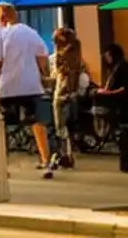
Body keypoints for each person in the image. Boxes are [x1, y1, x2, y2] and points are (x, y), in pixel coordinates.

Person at [0, 2, 54, 179]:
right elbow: (42, 60)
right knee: (37, 123)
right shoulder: (31, 33)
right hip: (31, 85)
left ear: (1, 16)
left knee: (2, 127)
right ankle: (45, 161)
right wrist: (43, 77)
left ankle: (3, 166)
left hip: (7, 87)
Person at [50, 28, 86, 169]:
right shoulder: (76, 52)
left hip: (62, 92)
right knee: (70, 126)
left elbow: (58, 72)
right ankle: (70, 155)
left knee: (60, 126)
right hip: (73, 93)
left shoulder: (62, 54)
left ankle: (62, 155)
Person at [98, 43, 128, 126]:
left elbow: (126, 89)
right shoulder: (120, 67)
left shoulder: (123, 69)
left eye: (108, 56)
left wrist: (109, 93)